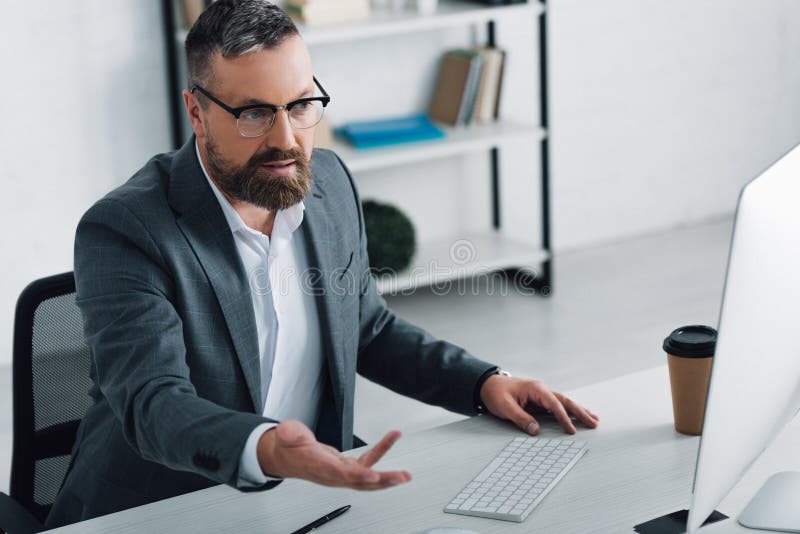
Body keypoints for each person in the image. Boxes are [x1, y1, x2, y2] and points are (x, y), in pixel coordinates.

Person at [45, 0, 598, 528]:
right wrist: (266, 447)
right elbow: (154, 403)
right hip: (163, 508)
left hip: (306, 494)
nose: (287, 141)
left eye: (302, 105)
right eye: (256, 114)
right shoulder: (127, 229)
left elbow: (369, 329)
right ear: (197, 112)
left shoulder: (329, 183)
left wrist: (482, 383)